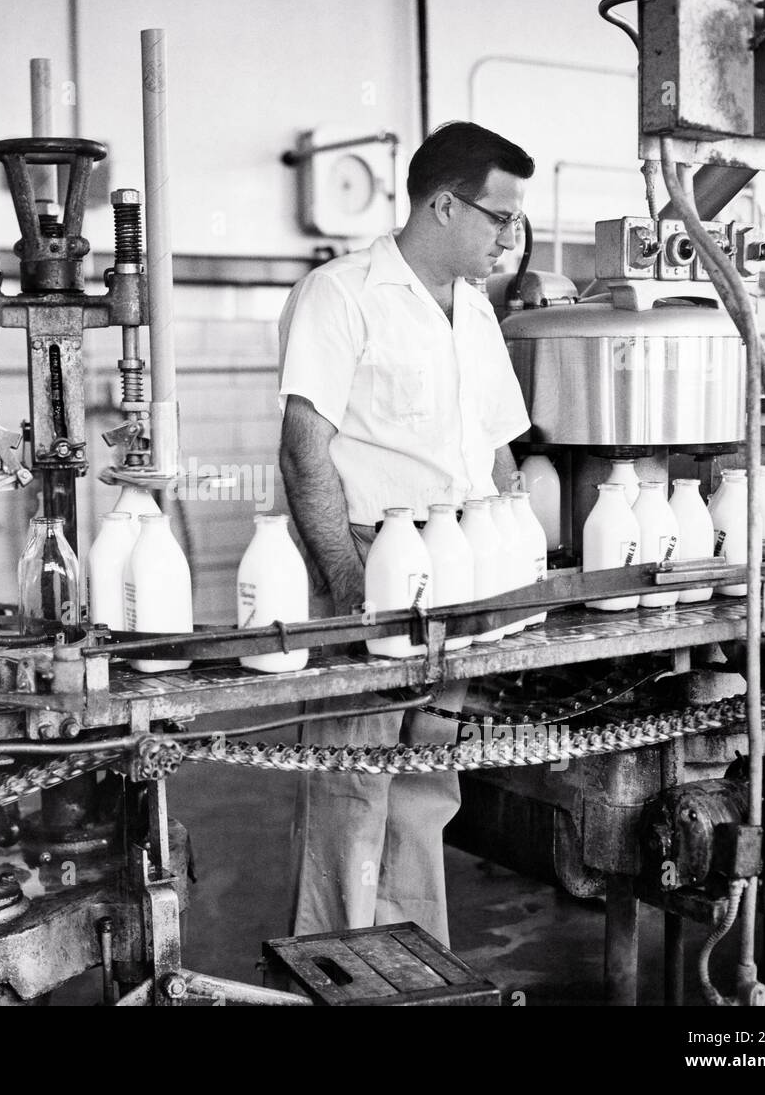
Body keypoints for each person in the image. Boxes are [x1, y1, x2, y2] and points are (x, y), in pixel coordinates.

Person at [277, 121, 535, 944]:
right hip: (368, 556)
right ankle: (334, 960)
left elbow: (497, 454)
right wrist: (352, 587)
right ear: (442, 204)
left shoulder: (476, 314)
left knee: (428, 779)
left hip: (458, 563)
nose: (510, 236)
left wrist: (513, 576)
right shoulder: (342, 293)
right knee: (353, 780)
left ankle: (415, 959)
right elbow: (303, 449)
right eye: (500, 217)